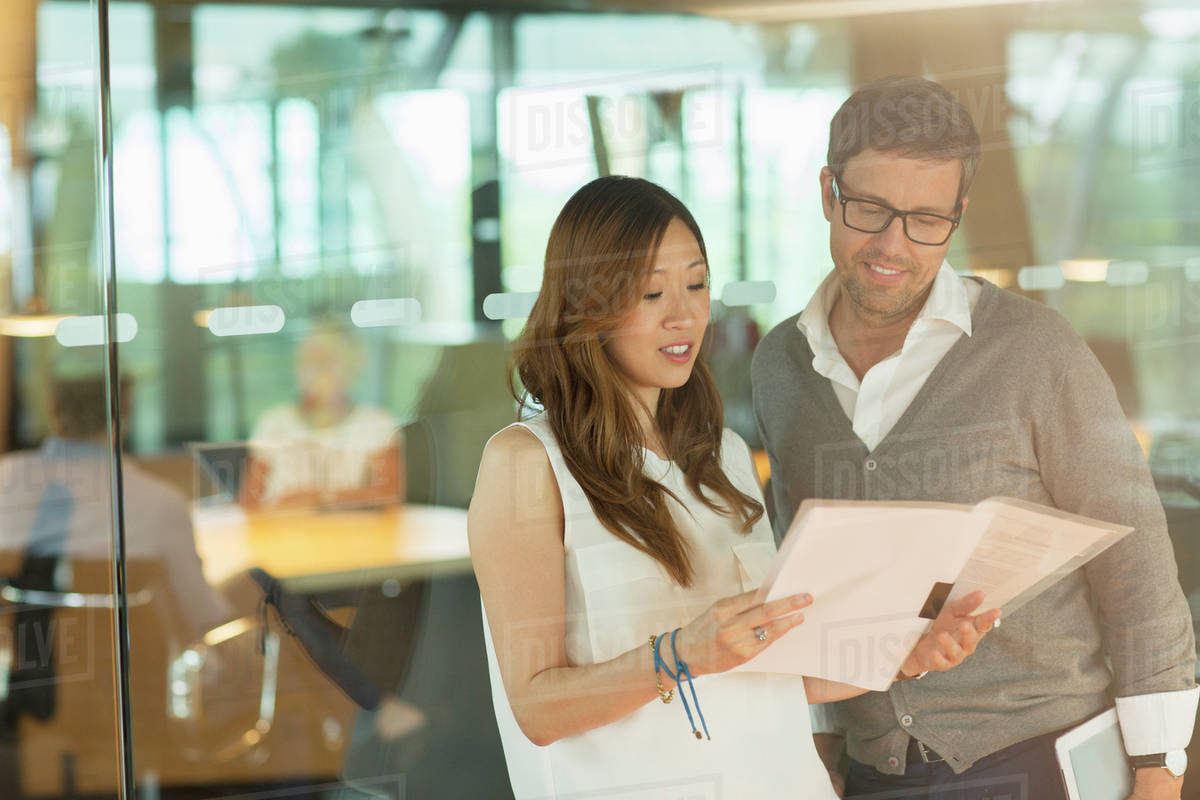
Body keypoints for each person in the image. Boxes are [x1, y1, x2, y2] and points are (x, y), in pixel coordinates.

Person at [468, 175, 1000, 799]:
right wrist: (681, 654)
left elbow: (770, 673)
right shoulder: (525, 464)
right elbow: (535, 708)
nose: (685, 314)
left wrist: (908, 652)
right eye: (651, 292)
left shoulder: (722, 454)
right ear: (586, 304)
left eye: (697, 284)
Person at [751, 75, 1198, 800]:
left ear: (957, 216)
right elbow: (804, 580)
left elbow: (1136, 565)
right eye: (870, 209)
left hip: (1036, 759)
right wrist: (821, 747)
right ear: (829, 191)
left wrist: (1160, 768)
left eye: (926, 219)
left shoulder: (1035, 351)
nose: (892, 245)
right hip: (871, 774)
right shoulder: (780, 366)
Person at [242, 320, 402, 510]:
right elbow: (249, 504)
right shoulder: (273, 423)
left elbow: (389, 497)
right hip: (284, 527)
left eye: (325, 362)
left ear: (351, 368)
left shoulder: (375, 423)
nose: (314, 372)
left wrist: (319, 498)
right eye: (307, 361)